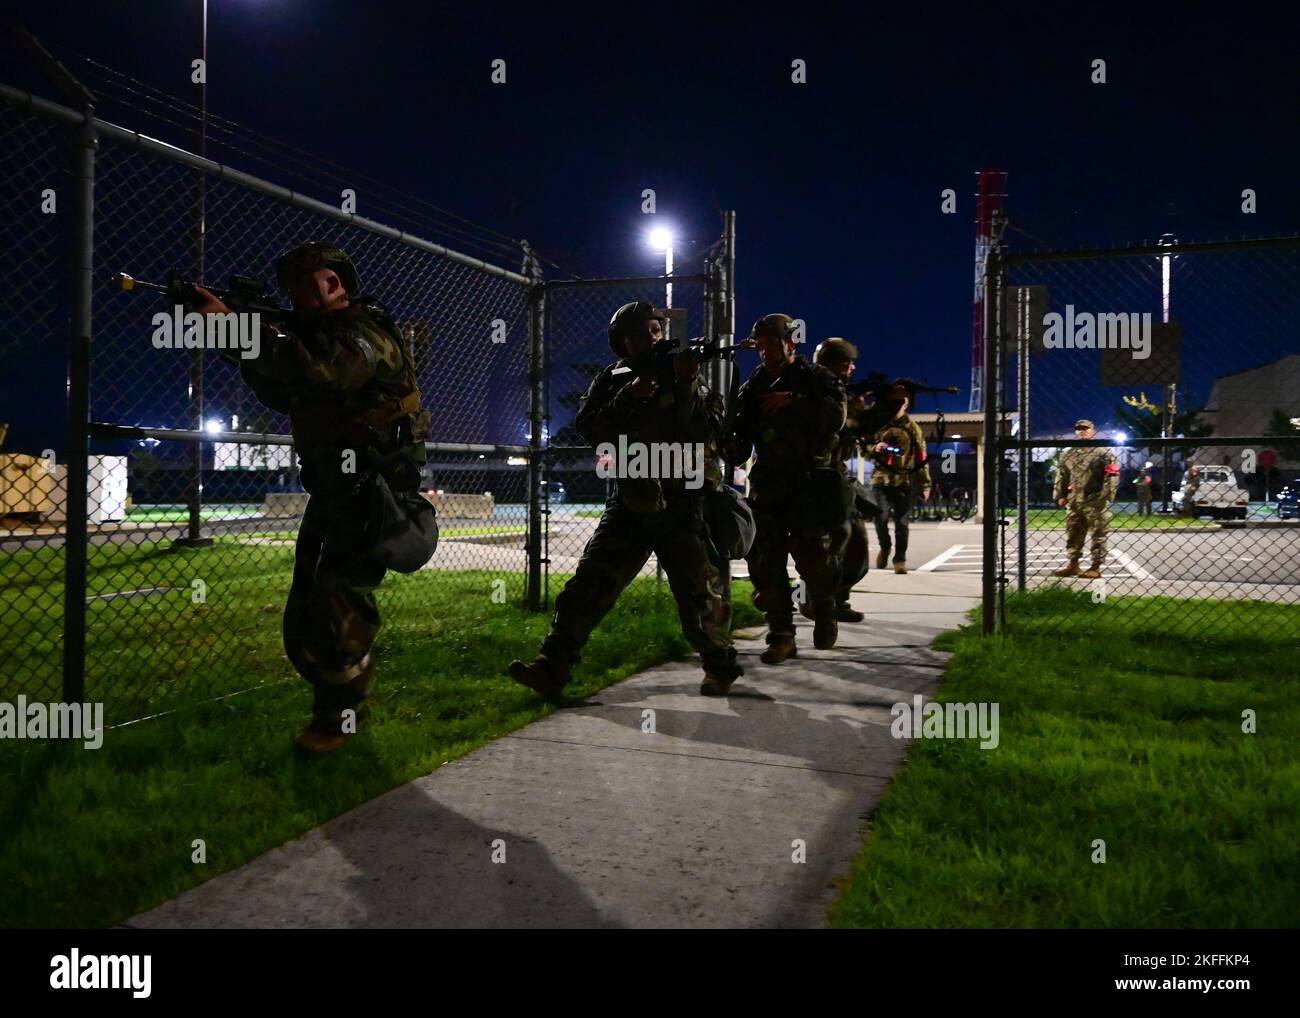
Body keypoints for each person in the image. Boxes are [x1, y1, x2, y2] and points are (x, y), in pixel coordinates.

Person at [194, 242, 438, 754]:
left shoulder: (364, 332)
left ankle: (339, 719)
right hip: (334, 490)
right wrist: (235, 339)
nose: (301, 294)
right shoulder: (318, 339)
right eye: (293, 288)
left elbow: (323, 370)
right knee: (306, 609)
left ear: (337, 283)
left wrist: (234, 330)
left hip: (376, 490)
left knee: (336, 594)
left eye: (311, 282)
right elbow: (284, 390)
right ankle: (344, 687)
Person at [508, 301, 741, 697]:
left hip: (681, 502)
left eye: (657, 329)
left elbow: (701, 433)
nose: (655, 337)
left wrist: (685, 384)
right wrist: (630, 396)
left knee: (697, 594)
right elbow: (590, 429)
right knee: (590, 584)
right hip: (631, 499)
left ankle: (720, 665)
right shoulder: (612, 379)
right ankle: (552, 667)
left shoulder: (685, 374)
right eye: (645, 332)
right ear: (624, 342)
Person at [726, 314, 847, 663]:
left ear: (791, 343)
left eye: (771, 344)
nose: (764, 351)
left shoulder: (815, 378)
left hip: (809, 482)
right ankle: (781, 635)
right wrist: (730, 445)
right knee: (765, 562)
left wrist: (793, 400)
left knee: (813, 559)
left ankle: (824, 608)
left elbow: (836, 416)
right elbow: (743, 439)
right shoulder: (753, 387)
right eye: (759, 346)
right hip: (769, 484)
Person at [799, 338, 874, 623]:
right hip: (816, 482)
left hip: (837, 480)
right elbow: (847, 427)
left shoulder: (840, 392)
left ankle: (836, 599)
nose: (852, 368)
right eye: (846, 363)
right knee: (827, 546)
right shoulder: (813, 392)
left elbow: (860, 429)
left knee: (855, 546)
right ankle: (813, 598)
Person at [869, 384, 930, 574]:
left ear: (905, 405)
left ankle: (899, 560)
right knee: (880, 518)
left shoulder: (913, 428)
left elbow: (922, 456)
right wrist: (874, 448)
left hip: (904, 482)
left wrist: (926, 484)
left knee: (902, 524)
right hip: (881, 480)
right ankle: (885, 546)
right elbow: (863, 449)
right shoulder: (879, 425)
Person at [1051, 418, 1119, 579]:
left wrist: (1105, 496)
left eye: (1086, 429)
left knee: (1098, 533)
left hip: (1095, 500)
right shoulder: (1069, 454)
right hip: (1074, 501)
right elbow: (1062, 476)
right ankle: (1073, 564)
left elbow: (1112, 476)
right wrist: (1060, 495)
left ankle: (1095, 566)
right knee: (1073, 532)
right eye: (1079, 429)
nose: (1082, 431)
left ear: (1092, 431)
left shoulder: (1103, 453)